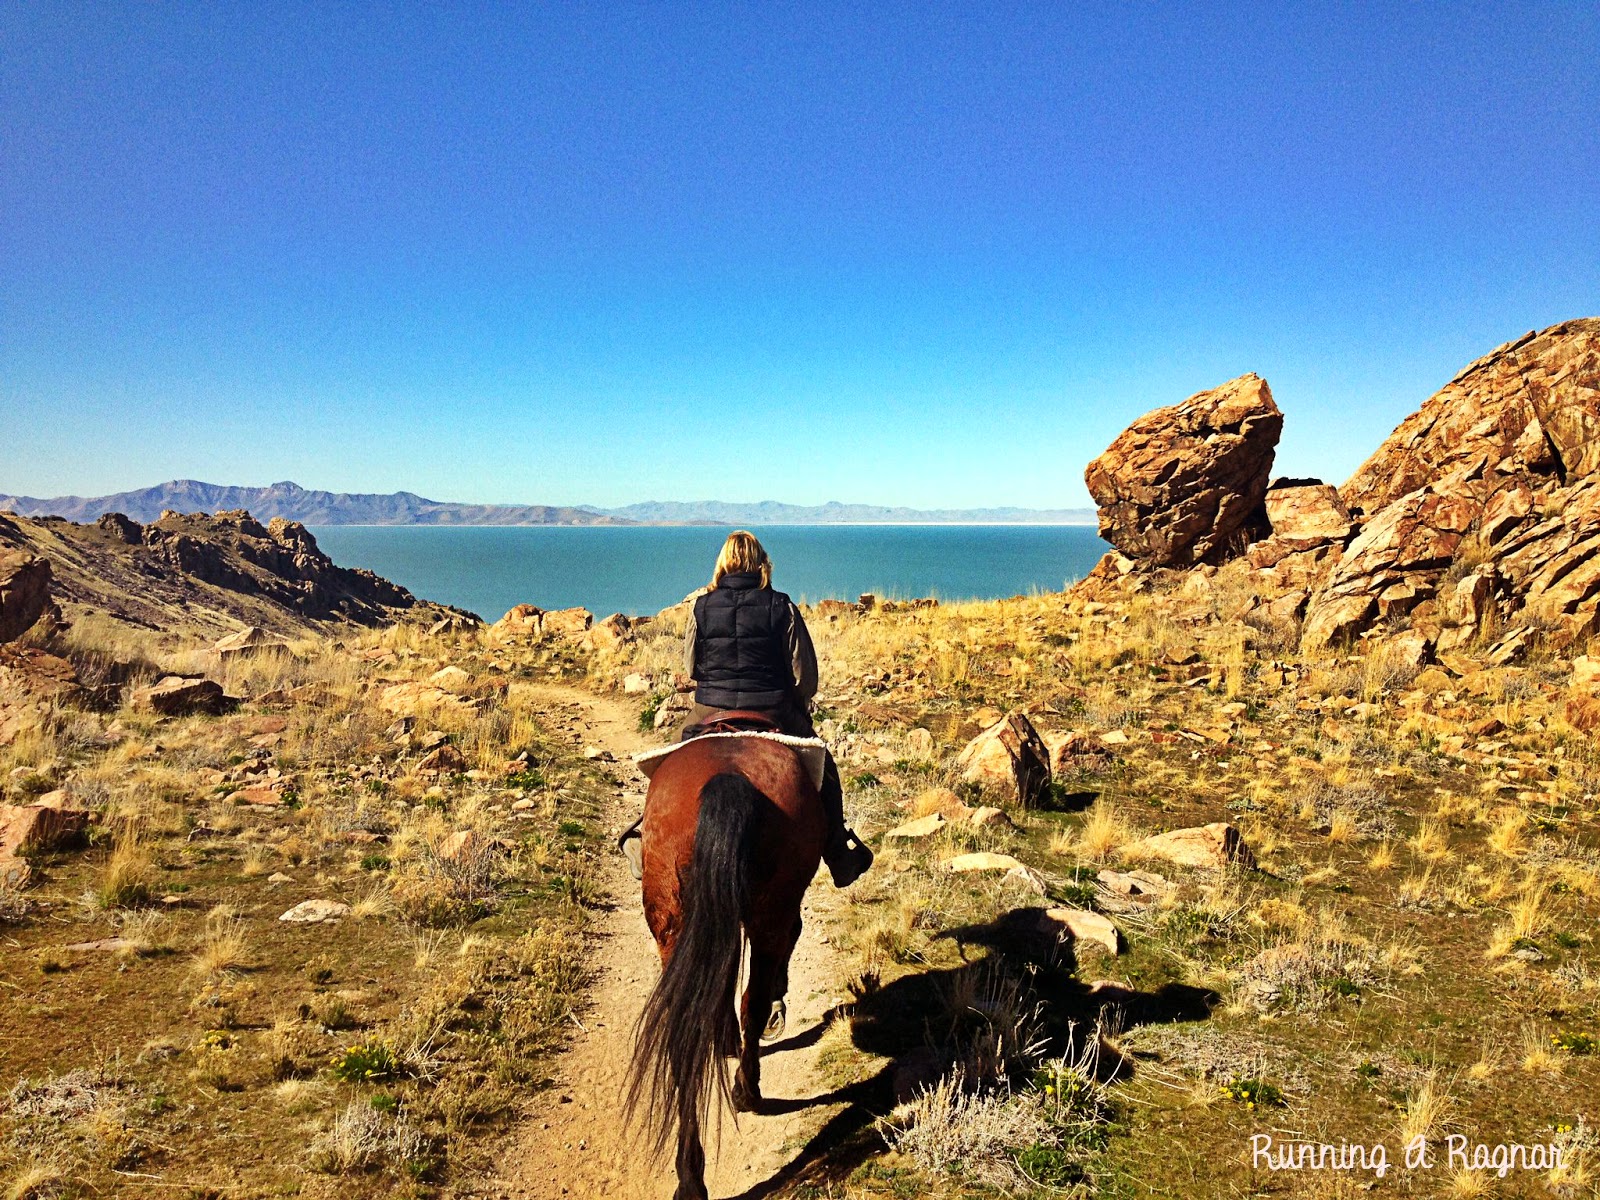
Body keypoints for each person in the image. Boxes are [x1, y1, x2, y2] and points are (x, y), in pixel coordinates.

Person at [619, 531, 874, 888]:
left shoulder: (701, 607)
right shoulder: (781, 605)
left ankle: (644, 834)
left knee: (671, 762)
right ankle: (839, 853)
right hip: (774, 709)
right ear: (760, 563)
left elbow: (691, 666)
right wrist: (796, 701)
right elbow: (807, 676)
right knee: (825, 768)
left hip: (710, 709)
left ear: (723, 563)